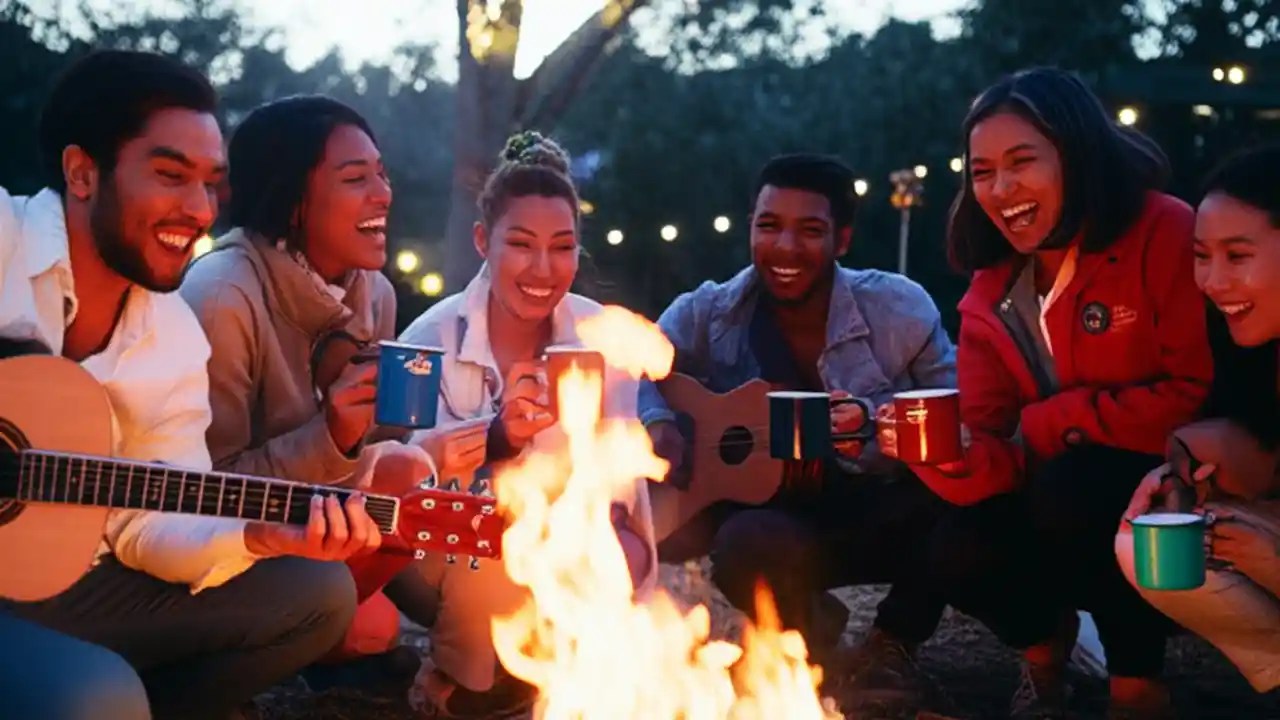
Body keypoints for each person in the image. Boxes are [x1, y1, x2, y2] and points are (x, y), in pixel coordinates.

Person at [0, 50, 377, 720]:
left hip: (63, 588)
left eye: (211, 185)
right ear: (82, 172)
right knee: (96, 699)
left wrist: (261, 534)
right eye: (171, 176)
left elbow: (151, 522)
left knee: (315, 594)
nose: (199, 209)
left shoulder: (173, 334)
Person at [878, 67, 1213, 719]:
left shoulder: (1164, 230)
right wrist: (949, 458)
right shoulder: (990, 294)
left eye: (1022, 162)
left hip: (1169, 489)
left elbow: (1194, 393)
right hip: (1057, 496)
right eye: (982, 172)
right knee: (956, 544)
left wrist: (1055, 422)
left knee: (1073, 486)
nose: (1001, 189)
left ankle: (1137, 683)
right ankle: (1044, 655)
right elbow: (996, 445)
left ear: (1076, 153)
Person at [636, 152, 962, 713]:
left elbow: (958, 410)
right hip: (780, 519)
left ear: (843, 239)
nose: (785, 248)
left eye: (810, 230)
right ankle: (808, 631)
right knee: (743, 544)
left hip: (880, 509)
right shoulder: (710, 311)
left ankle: (893, 641)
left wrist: (873, 426)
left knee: (961, 502)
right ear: (750, 229)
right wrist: (658, 422)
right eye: (769, 226)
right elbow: (638, 367)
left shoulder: (899, 309)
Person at [395, 131, 658, 718]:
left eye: (562, 247)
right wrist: (500, 437)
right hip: (440, 551)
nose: (543, 269)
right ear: (482, 241)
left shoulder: (601, 337)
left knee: (609, 554)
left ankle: (554, 669)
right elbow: (406, 480)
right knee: (493, 533)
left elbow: (621, 487)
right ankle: (463, 678)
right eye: (520, 244)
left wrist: (596, 532)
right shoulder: (429, 340)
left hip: (566, 544)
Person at [1118, 144, 1280, 695]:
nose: (1211, 281)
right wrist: (1180, 476)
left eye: (1237, 256)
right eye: (1201, 255)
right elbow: (1255, 450)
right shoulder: (1249, 347)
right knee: (1145, 540)